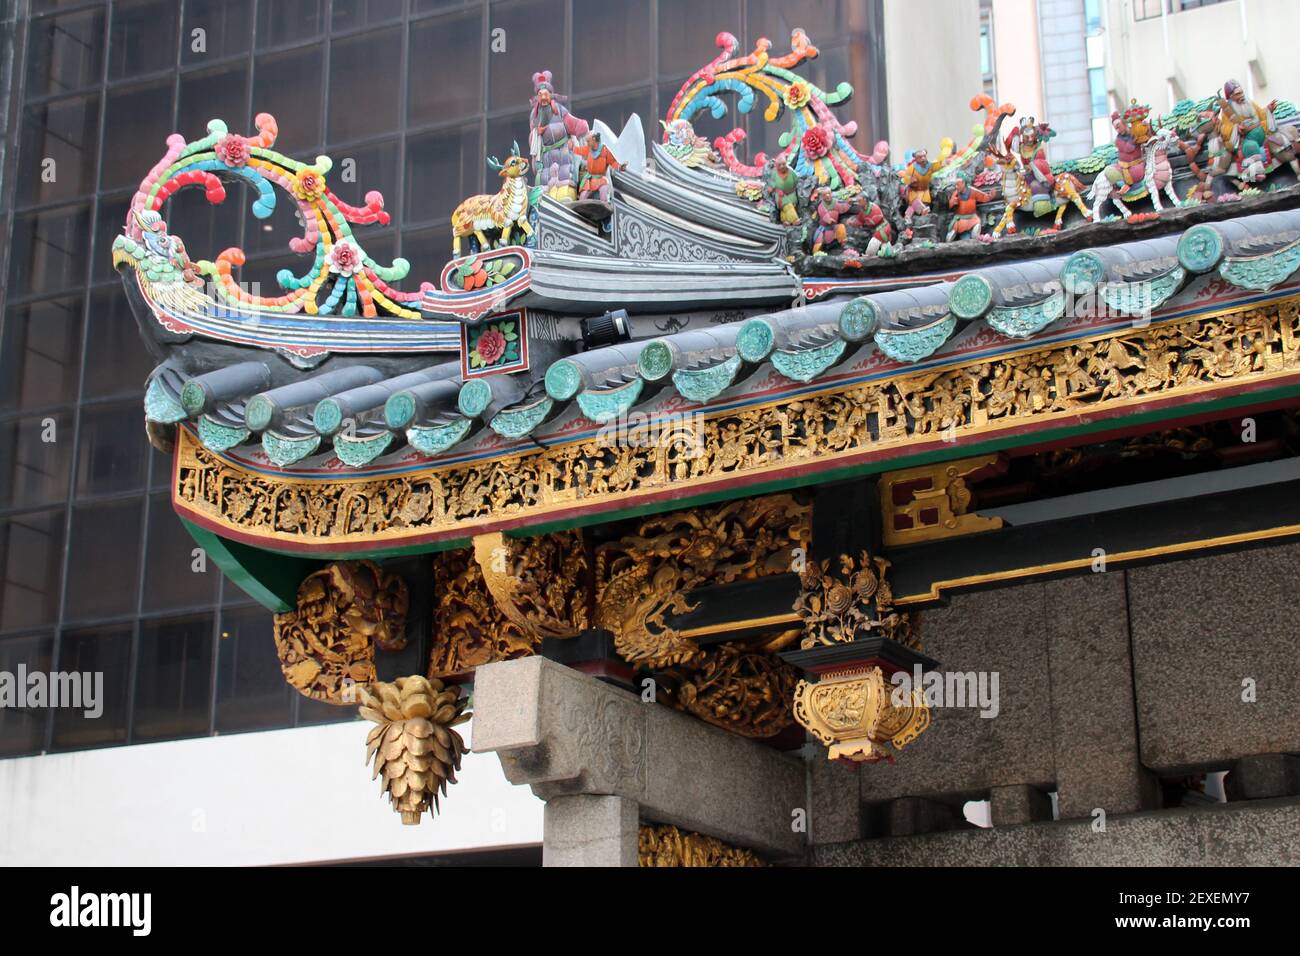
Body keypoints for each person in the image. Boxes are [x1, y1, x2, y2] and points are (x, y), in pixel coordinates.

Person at [573, 130, 623, 202]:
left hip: (600, 179)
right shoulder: (584, 156)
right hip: (589, 180)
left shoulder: (604, 152)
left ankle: (603, 202)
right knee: (583, 195)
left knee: (603, 192)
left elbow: (612, 162)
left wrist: (620, 167)